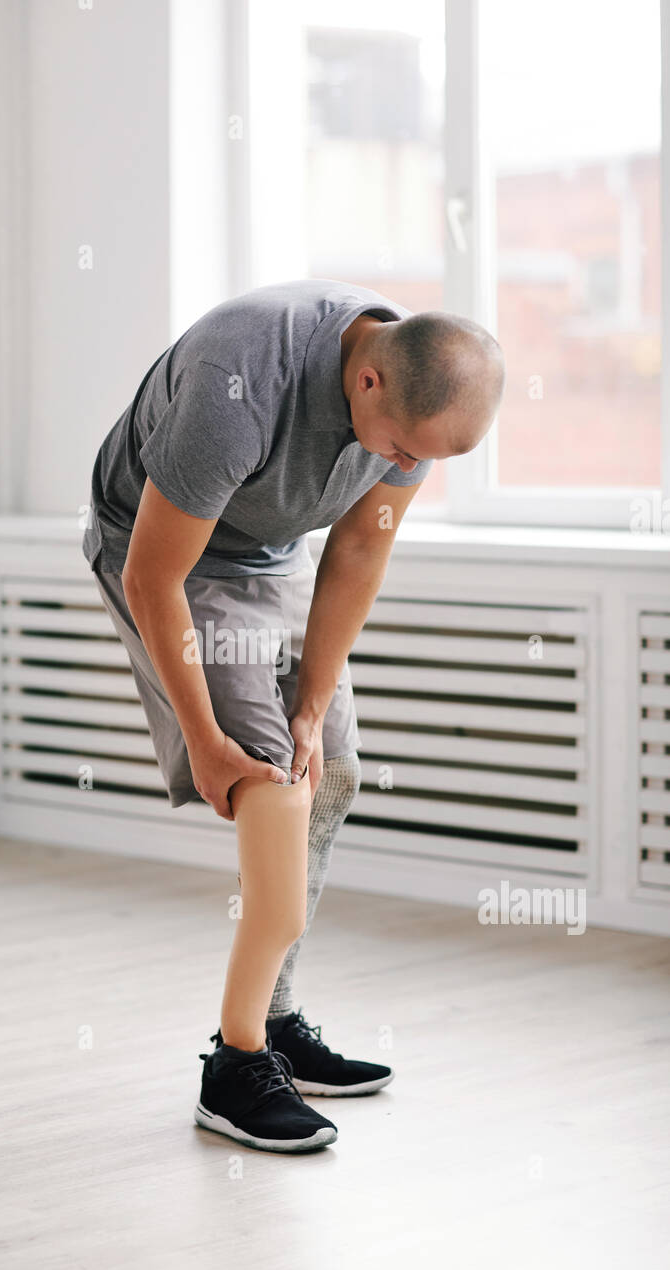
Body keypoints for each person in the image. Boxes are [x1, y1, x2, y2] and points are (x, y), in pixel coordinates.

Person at [82, 279, 504, 1152]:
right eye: (396, 447)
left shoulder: (415, 402)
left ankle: (274, 1025)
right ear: (369, 383)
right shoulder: (239, 380)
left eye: (416, 460)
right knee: (269, 782)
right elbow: (154, 578)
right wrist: (204, 741)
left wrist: (315, 702)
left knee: (329, 771)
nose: (398, 465)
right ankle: (233, 1067)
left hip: (270, 551)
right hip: (166, 552)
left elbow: (355, 548)